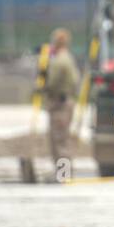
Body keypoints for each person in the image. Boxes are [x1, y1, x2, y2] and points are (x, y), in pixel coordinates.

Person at [44, 27, 80, 179]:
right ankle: (63, 172)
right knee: (62, 139)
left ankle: (63, 174)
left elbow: (51, 83)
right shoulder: (68, 58)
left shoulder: (58, 61)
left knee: (60, 141)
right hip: (67, 102)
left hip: (60, 104)